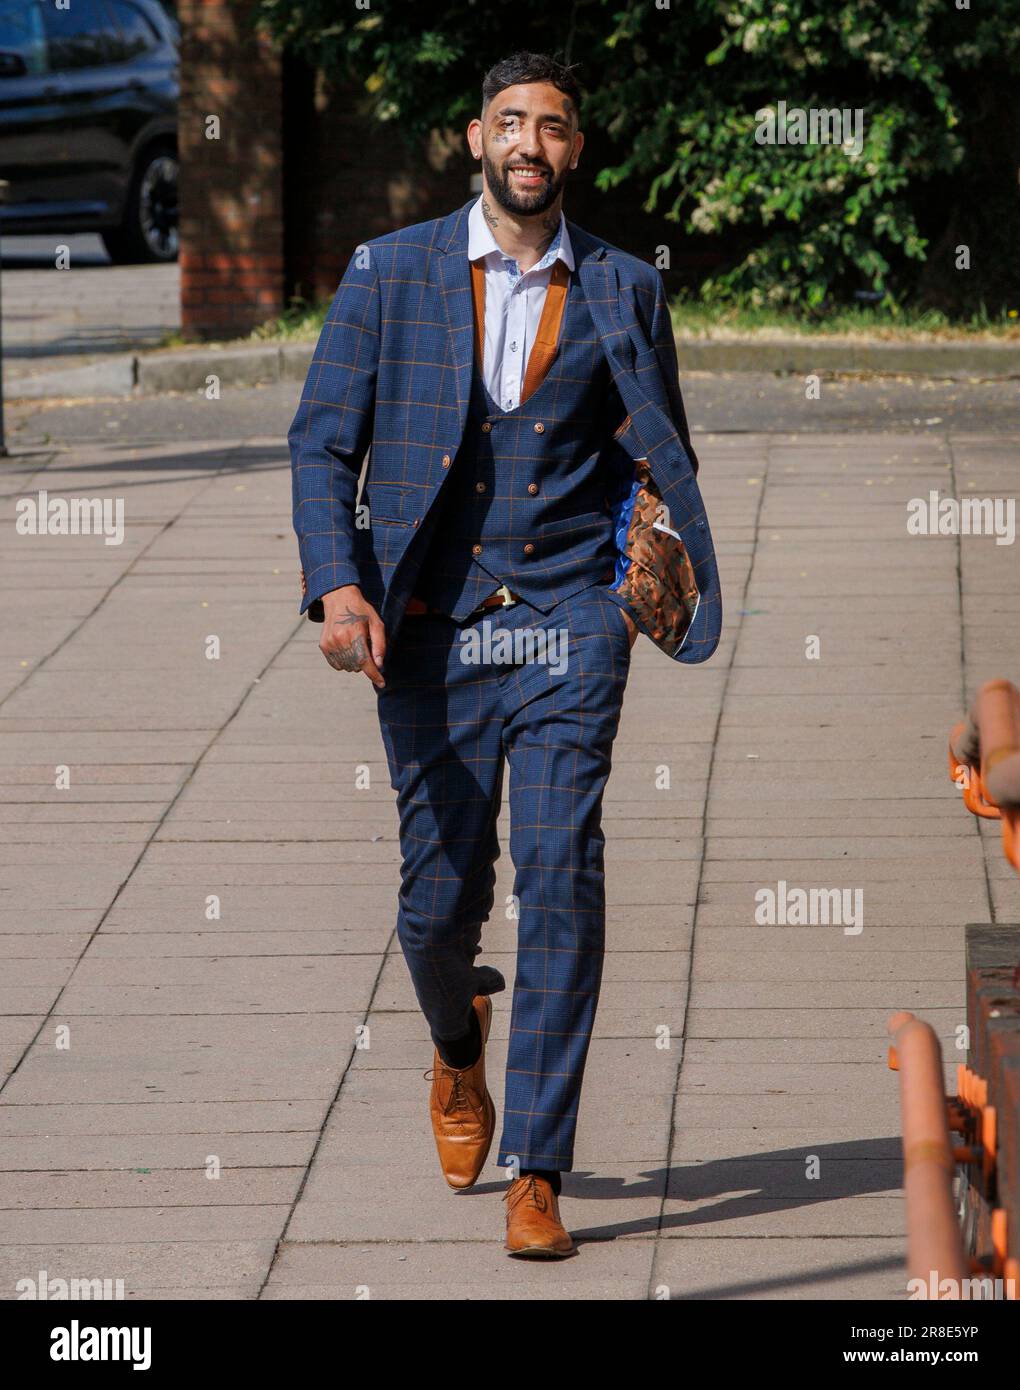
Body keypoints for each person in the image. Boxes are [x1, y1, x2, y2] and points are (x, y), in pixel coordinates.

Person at [289, 50, 721, 1258]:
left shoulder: (626, 287)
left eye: (555, 127)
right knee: (436, 905)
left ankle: (540, 1166)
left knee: (561, 869)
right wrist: (338, 585)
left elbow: (657, 451)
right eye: (511, 122)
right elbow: (323, 443)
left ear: (577, 151)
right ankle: (454, 1043)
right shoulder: (389, 273)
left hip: (570, 623)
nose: (531, 143)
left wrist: (650, 552)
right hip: (425, 622)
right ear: (473, 137)